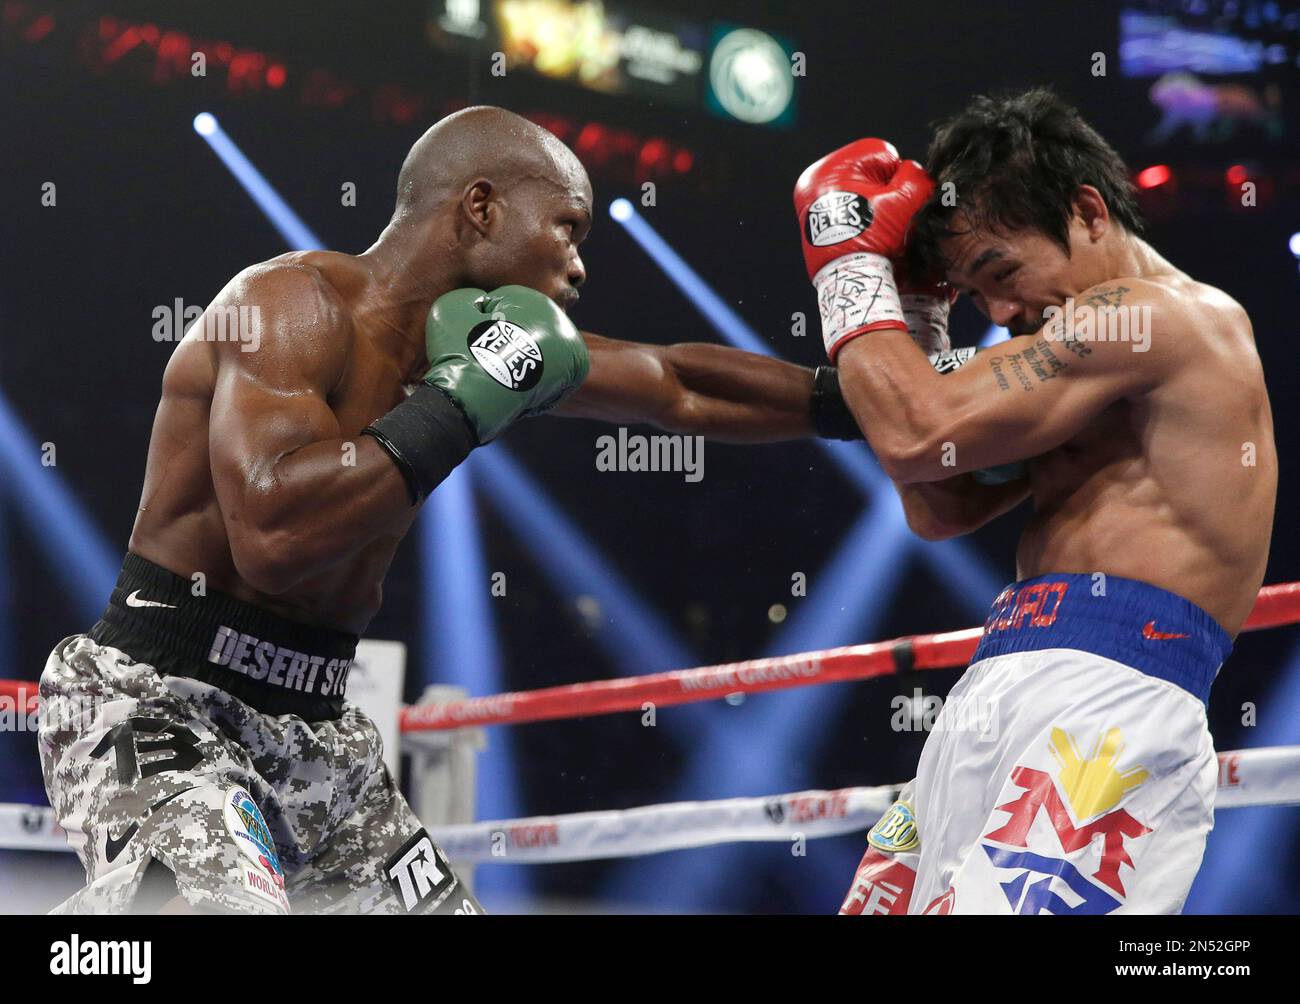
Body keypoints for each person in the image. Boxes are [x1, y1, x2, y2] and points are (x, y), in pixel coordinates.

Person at [37, 106, 857, 915]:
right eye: (567, 229)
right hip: (158, 699)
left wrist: (866, 399)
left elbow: (677, 386)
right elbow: (274, 540)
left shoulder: (484, 346)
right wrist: (455, 405)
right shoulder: (291, 304)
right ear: (480, 207)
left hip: (317, 731)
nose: (577, 268)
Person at [792, 88, 1276, 914]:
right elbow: (935, 502)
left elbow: (915, 433)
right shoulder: (1068, 356)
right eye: (974, 296)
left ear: (1087, 210)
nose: (1003, 313)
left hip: (1112, 698)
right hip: (1000, 677)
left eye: (1002, 272)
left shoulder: (1157, 318)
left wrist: (848, 264)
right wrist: (915, 314)